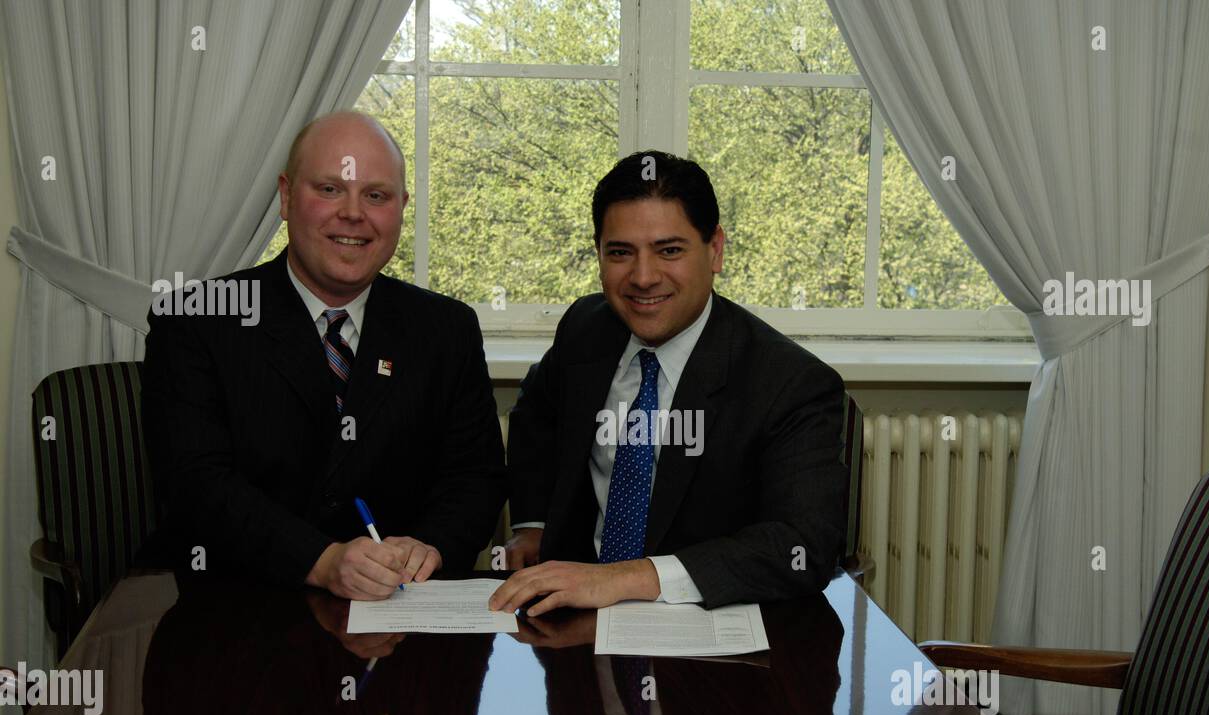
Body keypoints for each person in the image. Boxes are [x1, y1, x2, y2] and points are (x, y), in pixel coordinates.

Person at [143, 111, 505, 600]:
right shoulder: (197, 320)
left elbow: (475, 477)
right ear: (286, 196)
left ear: (401, 207)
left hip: (402, 610)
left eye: (376, 195)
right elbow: (196, 484)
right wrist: (320, 560)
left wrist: (431, 546)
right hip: (235, 607)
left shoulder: (447, 329)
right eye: (330, 189)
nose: (353, 213)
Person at [491, 151, 846, 615]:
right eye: (621, 252)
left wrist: (626, 578)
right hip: (573, 618)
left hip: (712, 625)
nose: (643, 278)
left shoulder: (791, 383)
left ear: (715, 249)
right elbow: (535, 413)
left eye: (669, 250)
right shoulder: (585, 327)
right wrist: (533, 525)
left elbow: (802, 546)